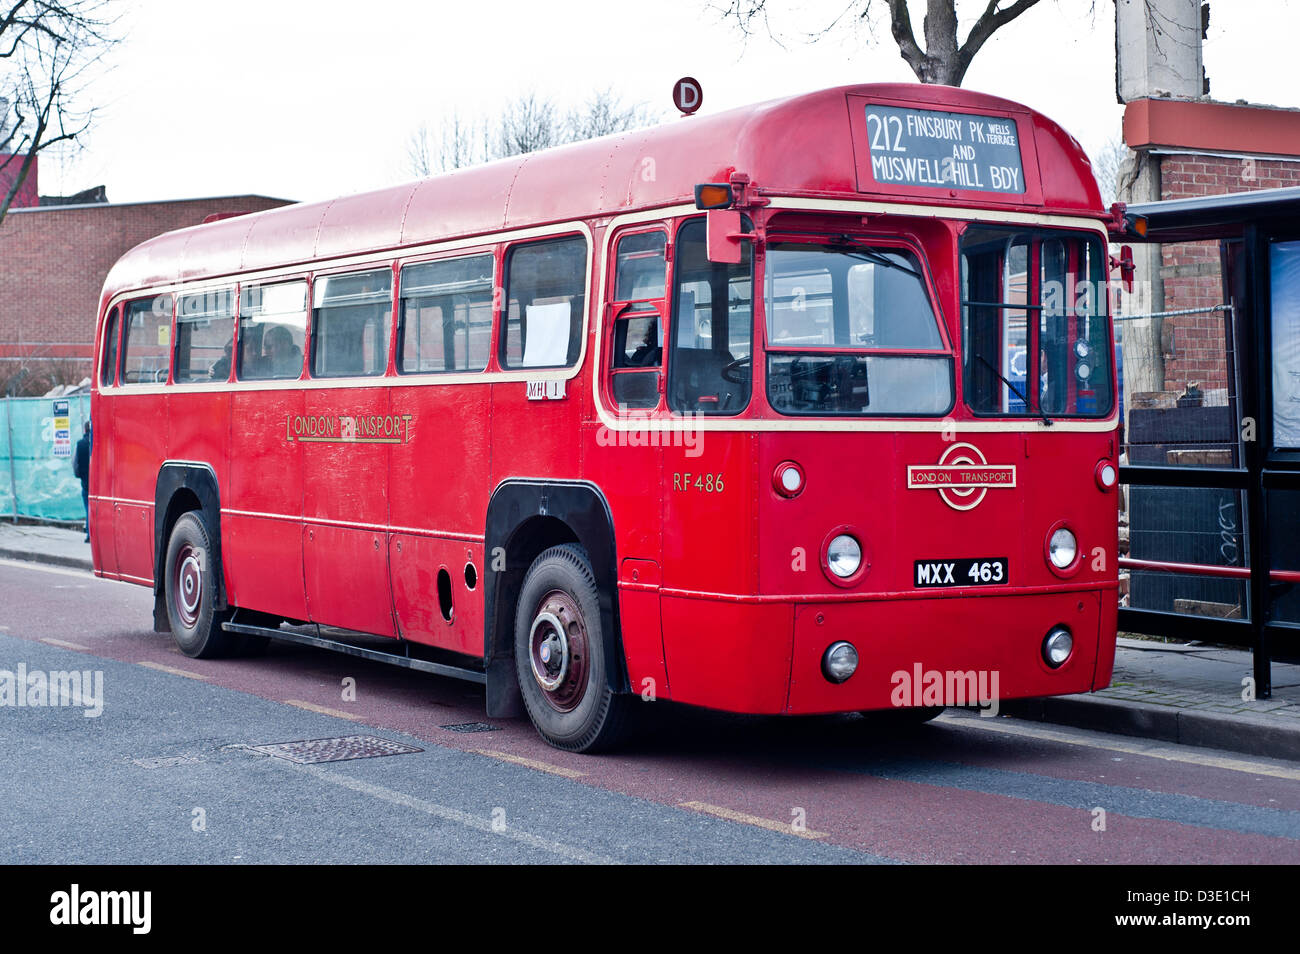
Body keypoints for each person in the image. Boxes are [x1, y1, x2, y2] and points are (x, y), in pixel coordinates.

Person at [73, 422, 91, 542]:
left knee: (88, 508)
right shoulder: (99, 443)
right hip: (100, 483)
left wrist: (80, 475)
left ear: (85, 430)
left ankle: (90, 535)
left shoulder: (80, 444)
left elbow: (75, 465)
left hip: (85, 482)